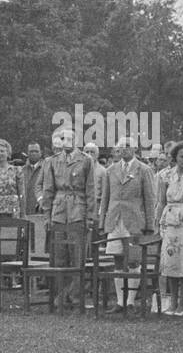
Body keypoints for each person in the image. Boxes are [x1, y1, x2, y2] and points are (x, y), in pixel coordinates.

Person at [98, 136, 156, 313]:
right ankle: (120, 302)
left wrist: (149, 225)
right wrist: (102, 223)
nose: (124, 150)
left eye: (128, 146)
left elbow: (149, 198)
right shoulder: (110, 170)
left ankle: (130, 300)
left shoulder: (144, 170)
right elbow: (105, 198)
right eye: (121, 147)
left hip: (135, 221)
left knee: (133, 260)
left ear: (135, 149)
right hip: (115, 220)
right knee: (117, 257)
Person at [41, 128, 95, 309]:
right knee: (59, 256)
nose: (66, 141)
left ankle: (75, 295)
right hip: (58, 210)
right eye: (63, 138)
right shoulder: (52, 161)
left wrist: (90, 217)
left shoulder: (86, 161)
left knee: (77, 256)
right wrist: (47, 215)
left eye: (70, 138)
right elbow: (48, 190)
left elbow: (91, 190)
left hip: (78, 209)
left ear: (76, 140)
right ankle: (59, 295)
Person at [156, 140, 183, 315]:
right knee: (171, 263)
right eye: (182, 156)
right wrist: (158, 221)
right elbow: (161, 201)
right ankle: (172, 302)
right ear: (175, 157)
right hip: (170, 220)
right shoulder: (165, 175)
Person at [0, 139, 23, 217]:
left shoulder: (16, 170)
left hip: (13, 210)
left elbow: (21, 193)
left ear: (8, 153)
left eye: (2, 151)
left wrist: (23, 213)